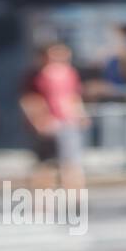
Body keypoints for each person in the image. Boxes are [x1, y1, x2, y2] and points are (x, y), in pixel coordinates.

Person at [19, 42, 89, 190]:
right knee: (45, 164)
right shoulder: (35, 76)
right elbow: (29, 100)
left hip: (68, 122)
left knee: (71, 162)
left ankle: (75, 200)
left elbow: (73, 96)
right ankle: (43, 202)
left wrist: (80, 114)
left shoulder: (70, 73)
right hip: (47, 124)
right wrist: (38, 121)